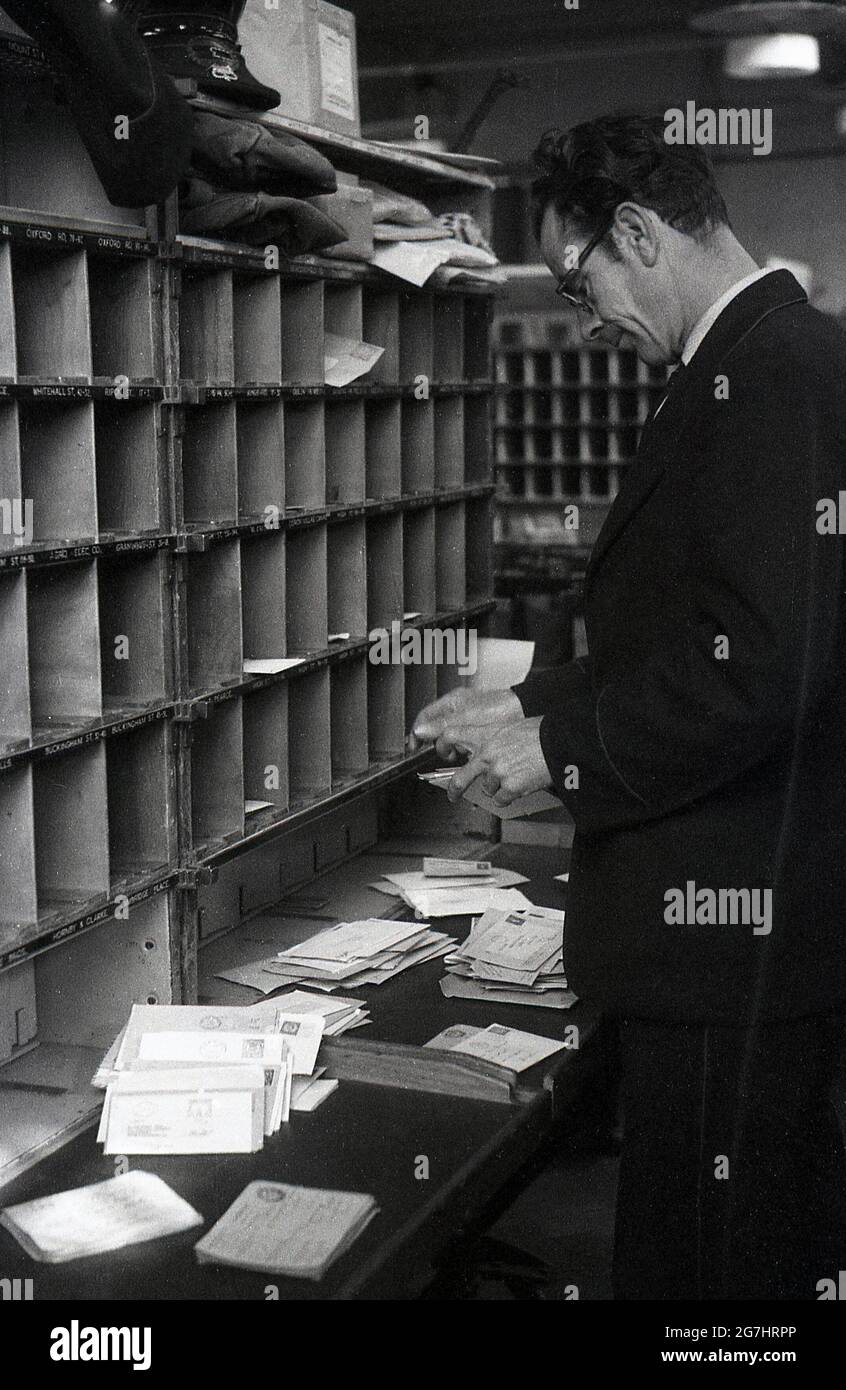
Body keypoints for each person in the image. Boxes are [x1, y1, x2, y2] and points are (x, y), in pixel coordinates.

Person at [412, 113, 846, 1300]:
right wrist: (521, 701)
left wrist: (555, 751)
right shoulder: (743, 363)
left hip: (734, 946)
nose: (583, 312)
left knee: (713, 1277)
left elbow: (760, 668)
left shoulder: (774, 375)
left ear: (640, 232)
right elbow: (685, 631)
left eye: (577, 278)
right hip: (730, 932)